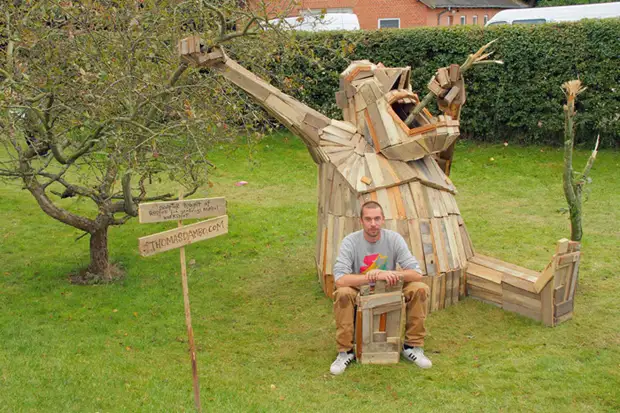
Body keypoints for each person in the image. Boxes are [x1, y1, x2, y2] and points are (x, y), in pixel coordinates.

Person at [330, 201, 432, 375]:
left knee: (419, 288)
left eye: (377, 219)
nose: (373, 224)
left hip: (390, 287)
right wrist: (374, 275)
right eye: (368, 219)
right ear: (361, 221)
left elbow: (416, 273)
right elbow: (340, 278)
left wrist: (392, 274)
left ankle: (412, 347)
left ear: (383, 219)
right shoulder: (350, 242)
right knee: (343, 293)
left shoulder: (393, 238)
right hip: (361, 289)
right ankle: (345, 351)